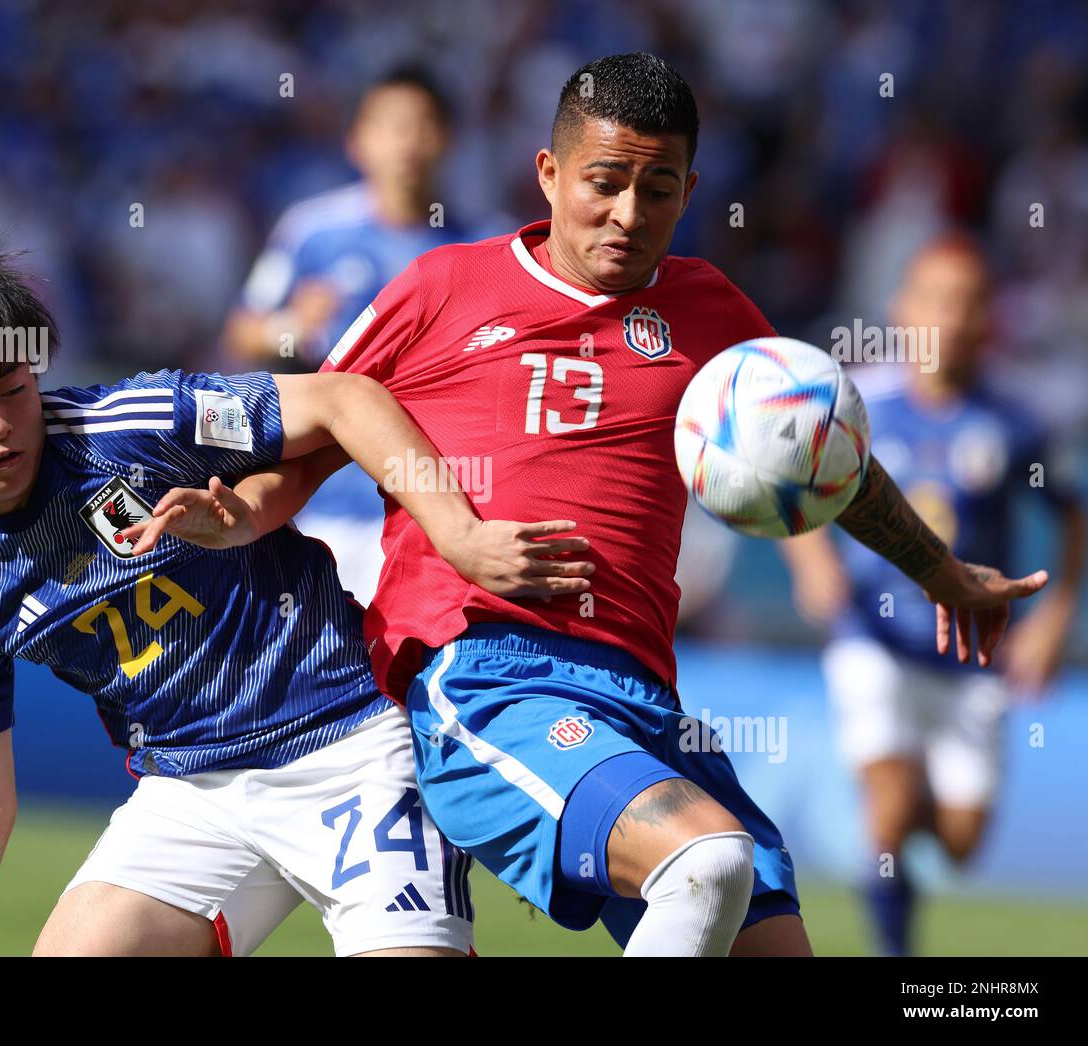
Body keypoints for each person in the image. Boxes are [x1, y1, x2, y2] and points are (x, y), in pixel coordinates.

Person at [138, 53, 1046, 957]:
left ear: (690, 190)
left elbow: (824, 459)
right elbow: (318, 436)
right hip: (490, 673)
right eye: (605, 183)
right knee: (708, 863)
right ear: (550, 172)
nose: (627, 214)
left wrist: (942, 572)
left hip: (645, 697)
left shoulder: (711, 312)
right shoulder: (443, 288)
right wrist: (247, 514)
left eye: (658, 190)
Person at [0, 244, 591, 957]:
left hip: (356, 739)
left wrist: (459, 534)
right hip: (192, 789)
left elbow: (344, 399)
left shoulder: (135, 427)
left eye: (14, 389)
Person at [781, 235, 1084, 955]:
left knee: (960, 843)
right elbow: (787, 479)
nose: (947, 318)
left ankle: (909, 820)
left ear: (989, 319)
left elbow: (1073, 516)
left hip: (973, 657)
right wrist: (811, 562)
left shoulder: (1016, 421)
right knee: (886, 817)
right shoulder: (859, 407)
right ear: (901, 308)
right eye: (934, 299)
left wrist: (1054, 620)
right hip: (873, 639)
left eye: (967, 302)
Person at [224, 64, 500, 604]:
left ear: (447, 140)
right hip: (322, 503)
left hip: (434, 512)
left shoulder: (486, 245)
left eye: (423, 125)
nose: (408, 143)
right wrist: (292, 328)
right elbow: (241, 333)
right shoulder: (312, 232)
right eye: (392, 125)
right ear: (358, 141)